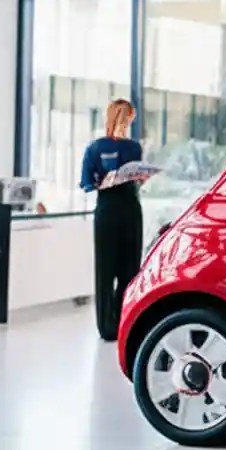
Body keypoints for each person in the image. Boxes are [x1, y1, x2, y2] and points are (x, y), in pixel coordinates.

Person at [80, 99, 148, 342]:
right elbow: (86, 182)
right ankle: (107, 327)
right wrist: (103, 181)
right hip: (109, 208)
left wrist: (142, 176)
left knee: (130, 268)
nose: (130, 122)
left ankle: (123, 320)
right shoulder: (95, 148)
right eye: (129, 117)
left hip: (130, 207)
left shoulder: (133, 147)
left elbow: (139, 175)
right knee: (107, 269)